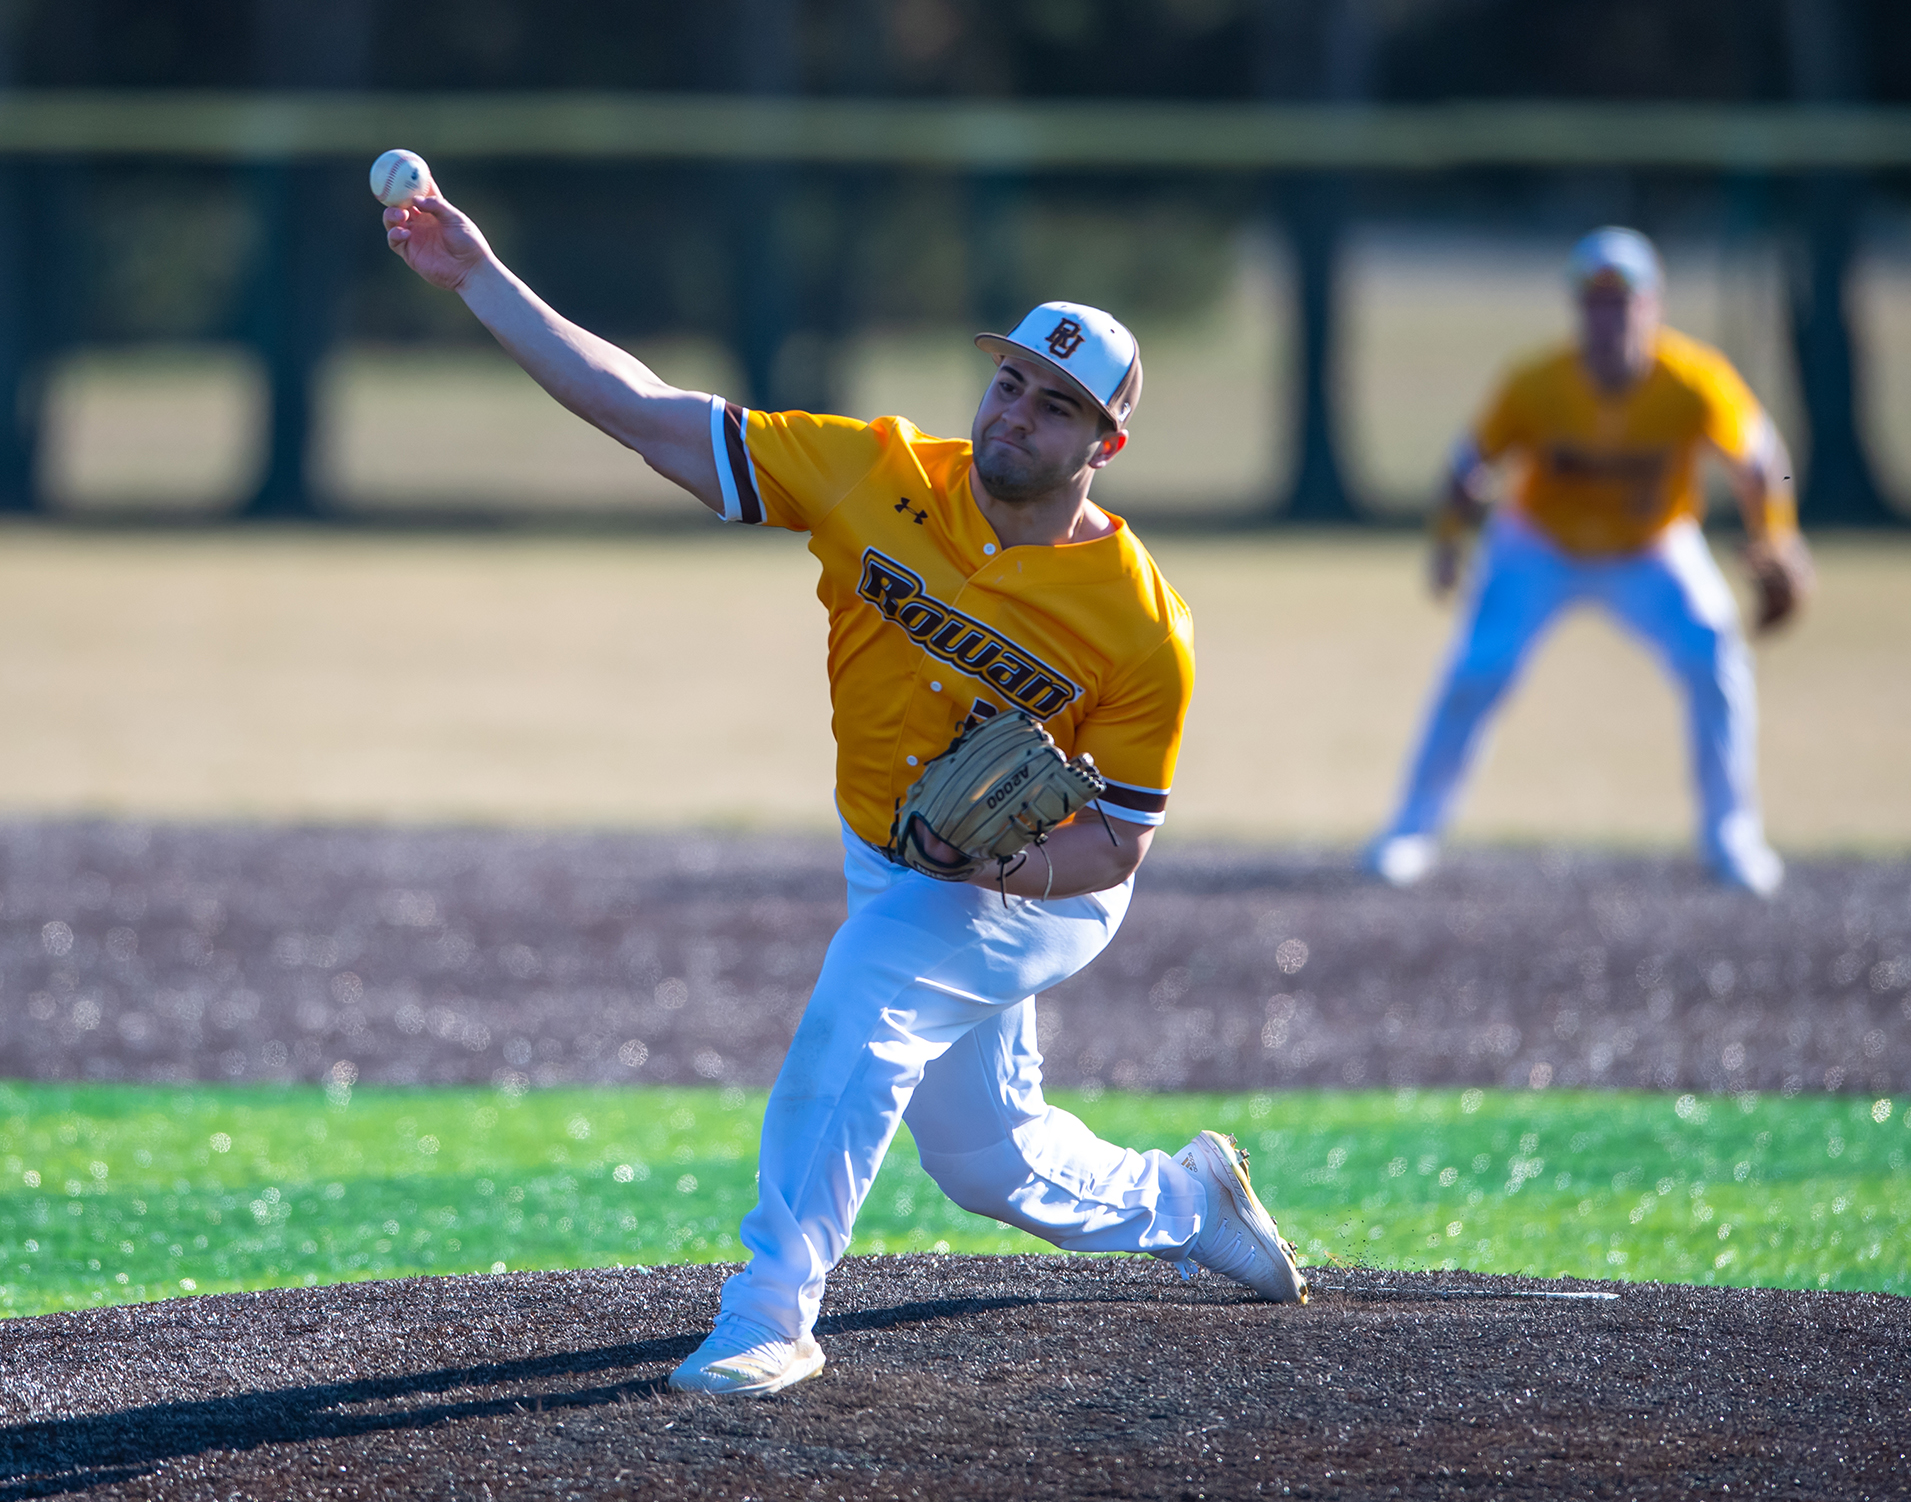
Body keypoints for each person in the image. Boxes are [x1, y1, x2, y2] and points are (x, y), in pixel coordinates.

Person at [382, 184, 1307, 1397]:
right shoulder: (874, 473)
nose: (1020, 412)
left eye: (1059, 405)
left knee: (866, 992)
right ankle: (1189, 1198)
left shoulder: (1142, 626)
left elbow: (1117, 846)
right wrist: (479, 280)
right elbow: (645, 412)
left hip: (1039, 885)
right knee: (991, 1162)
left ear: (1104, 445)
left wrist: (999, 866)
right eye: (1013, 382)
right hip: (893, 852)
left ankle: (773, 1308)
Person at [1367, 227, 1813, 897]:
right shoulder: (1537, 382)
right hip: (1539, 544)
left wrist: (1777, 534)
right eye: (1594, 302)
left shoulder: (1691, 379)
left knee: (1713, 654)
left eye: (1622, 300)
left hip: (1651, 545)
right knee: (1476, 670)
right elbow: (1468, 461)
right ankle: (1410, 831)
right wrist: (1446, 540)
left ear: (1652, 305)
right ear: (1577, 309)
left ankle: (1732, 835)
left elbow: (1763, 461)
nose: (1608, 317)